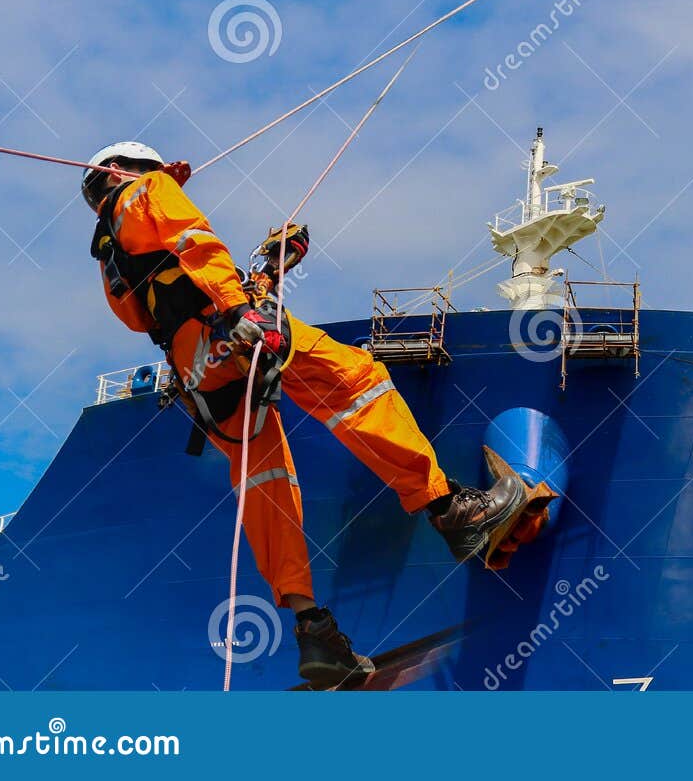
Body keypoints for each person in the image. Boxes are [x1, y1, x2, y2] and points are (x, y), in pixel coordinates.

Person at [81, 142, 523, 687]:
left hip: (200, 370)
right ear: (124, 170)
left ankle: (314, 629)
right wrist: (244, 308)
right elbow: (195, 244)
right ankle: (452, 510)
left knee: (265, 480)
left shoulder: (112, 261)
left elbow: (173, 302)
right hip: (234, 332)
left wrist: (270, 268)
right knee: (355, 383)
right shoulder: (146, 191)